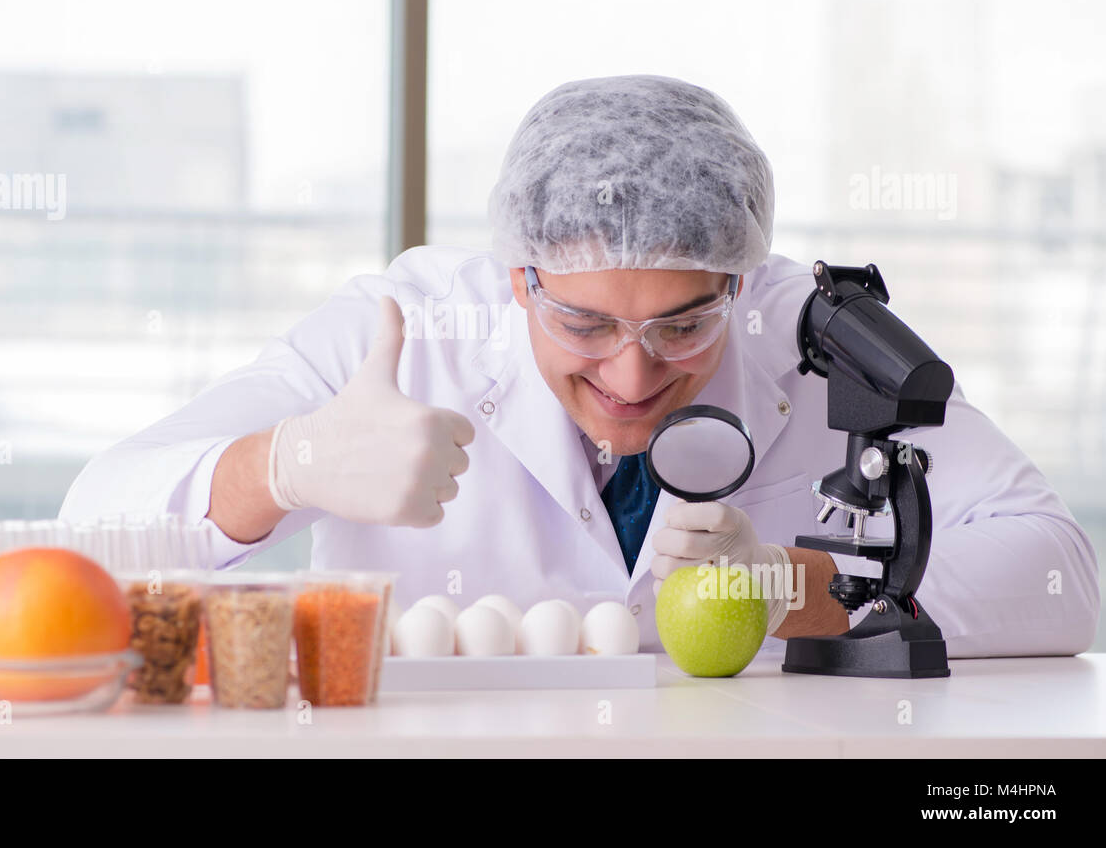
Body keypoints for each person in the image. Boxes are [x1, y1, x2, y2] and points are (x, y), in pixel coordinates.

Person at [58, 75, 1099, 656]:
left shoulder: (813, 333)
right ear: (517, 280)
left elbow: (1060, 568)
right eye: (586, 324)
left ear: (739, 286)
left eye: (682, 325)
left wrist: (795, 589)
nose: (633, 376)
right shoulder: (407, 328)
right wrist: (281, 466)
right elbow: (87, 532)